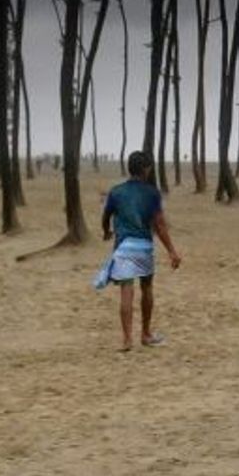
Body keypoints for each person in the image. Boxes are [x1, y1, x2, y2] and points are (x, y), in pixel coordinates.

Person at [93, 150, 184, 351]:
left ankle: (127, 340)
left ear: (129, 168)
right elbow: (160, 225)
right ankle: (146, 334)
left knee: (127, 291)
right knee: (147, 288)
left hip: (123, 247)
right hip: (143, 246)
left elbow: (105, 216)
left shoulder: (116, 192)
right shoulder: (152, 193)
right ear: (146, 169)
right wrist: (172, 251)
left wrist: (106, 231)